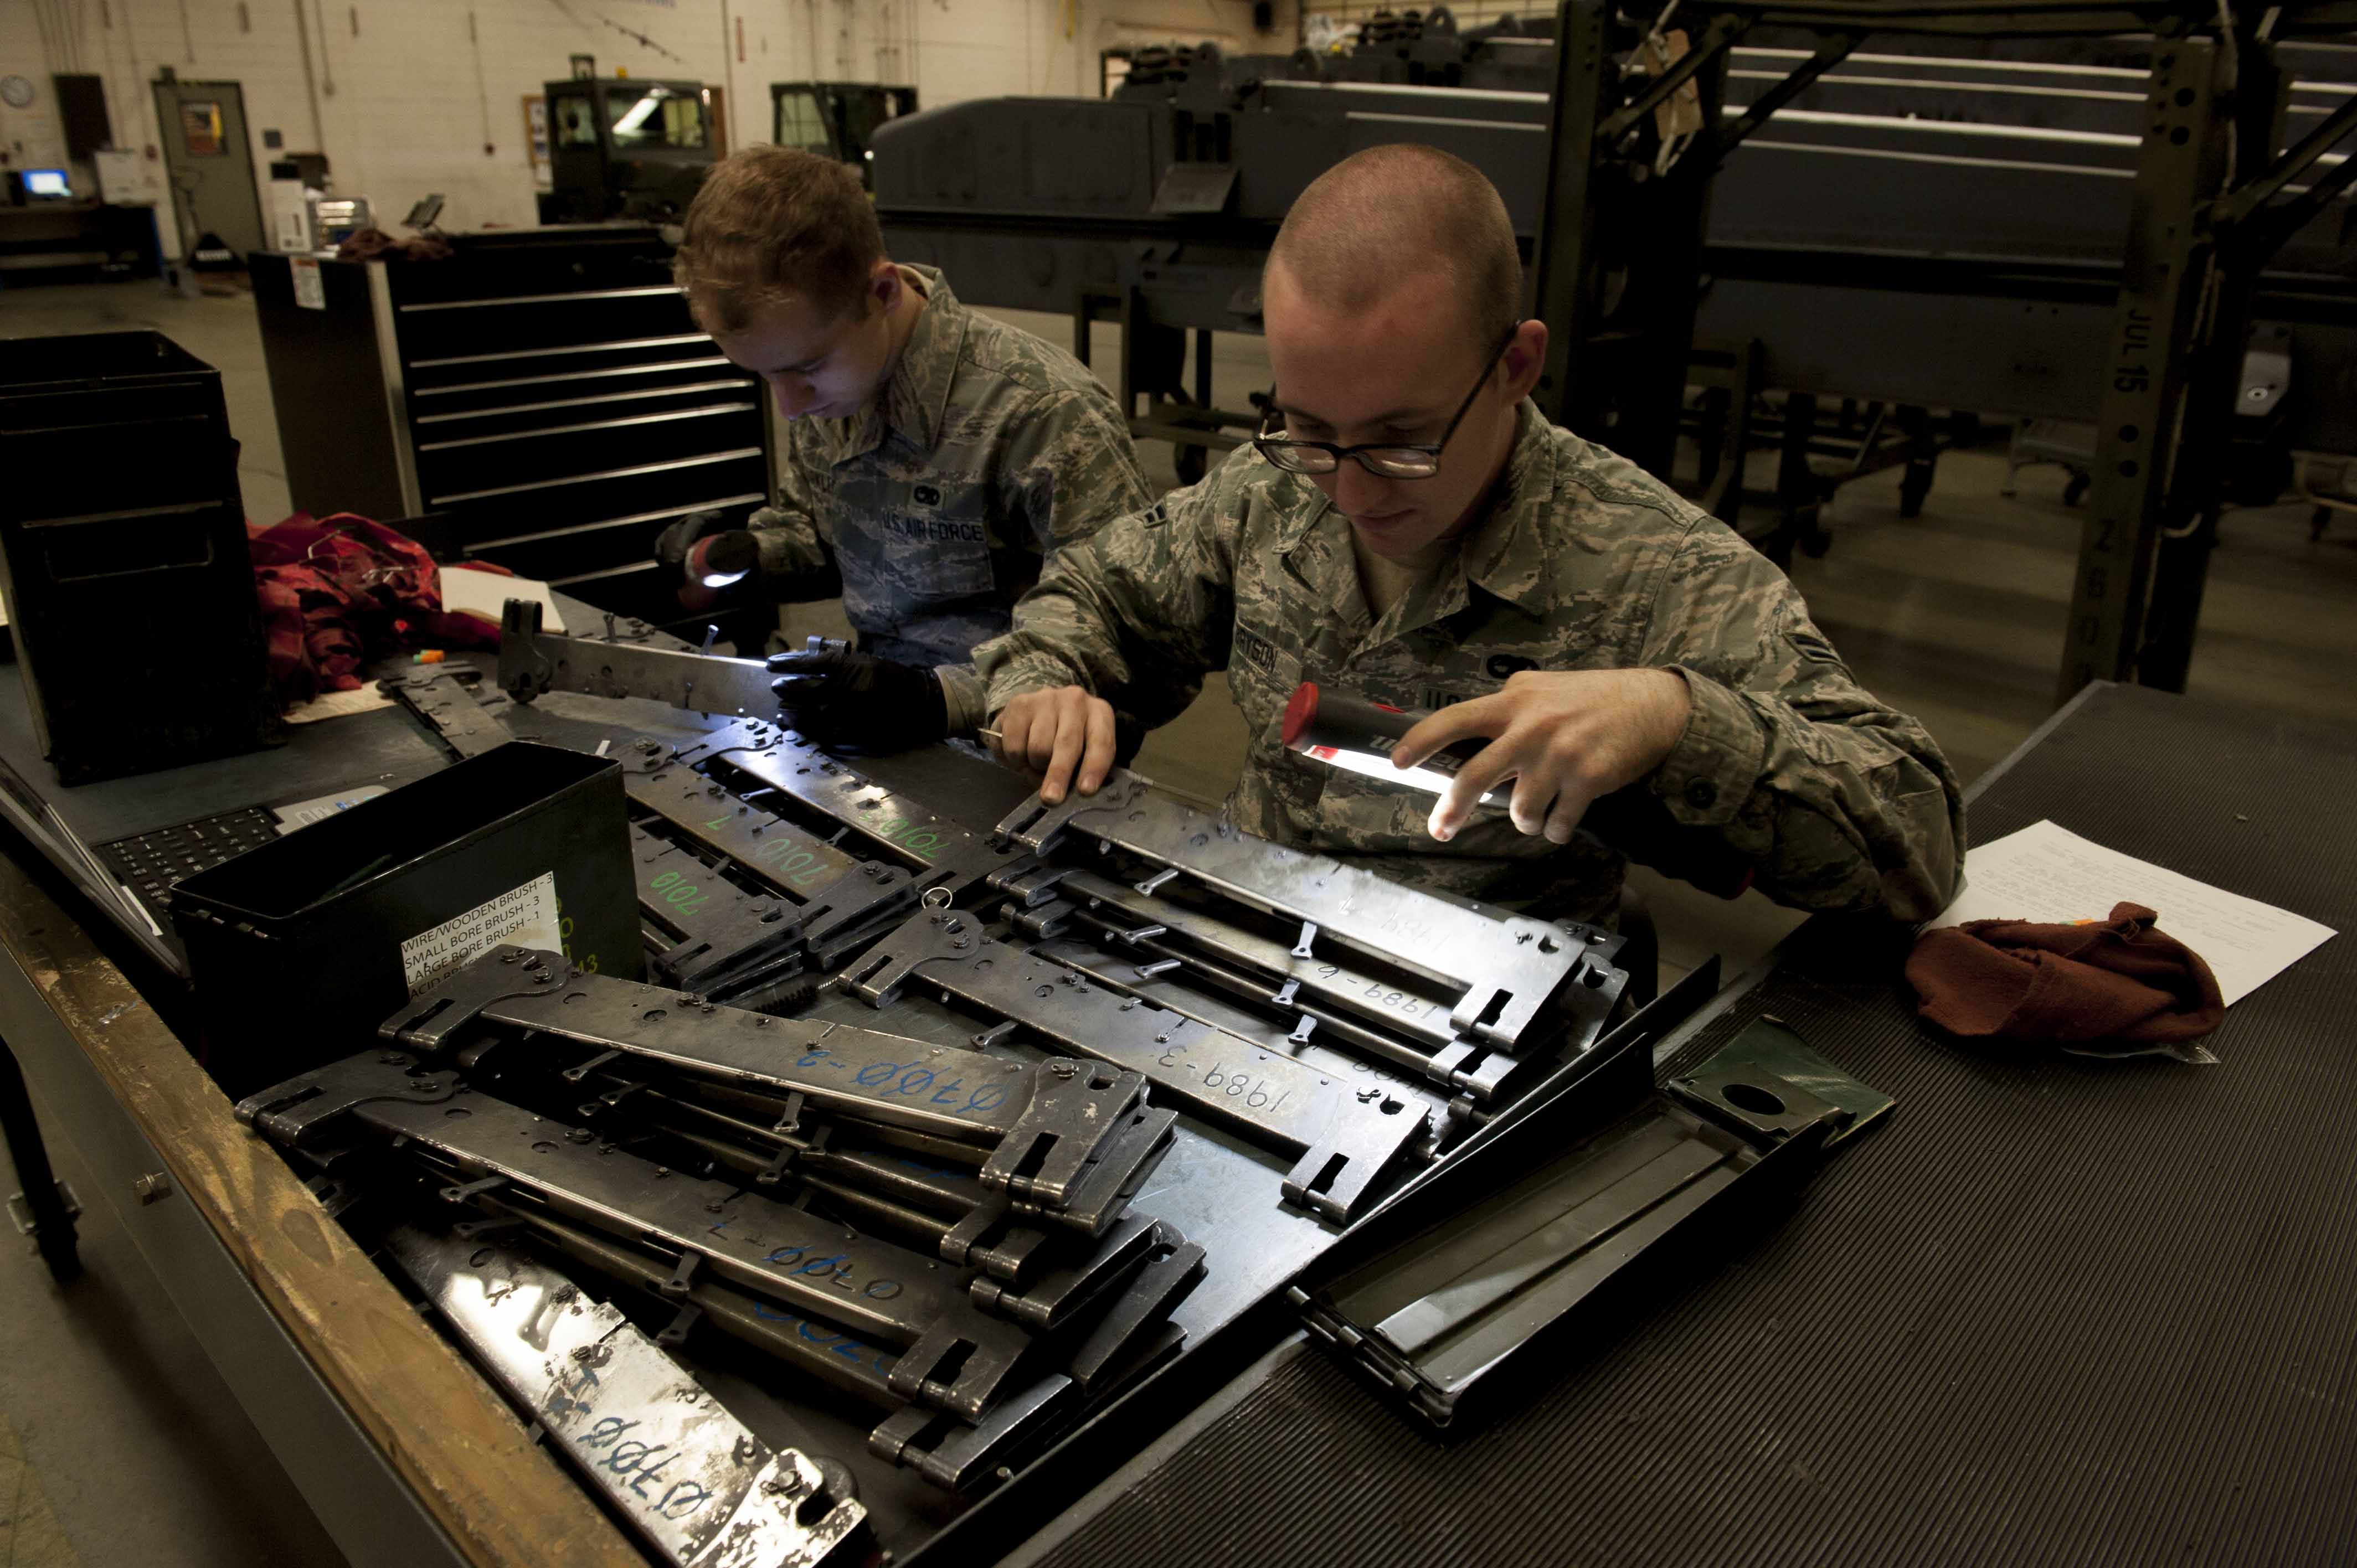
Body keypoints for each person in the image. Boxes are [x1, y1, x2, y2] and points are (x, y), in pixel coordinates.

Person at [974, 145, 1964, 927]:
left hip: (1480, 1010)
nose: (1349, 491)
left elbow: (1918, 848)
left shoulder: (1657, 569)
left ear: (1515, 367)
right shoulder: (1268, 493)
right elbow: (1098, 592)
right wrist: (1048, 680)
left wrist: (1675, 716)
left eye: (1401, 440)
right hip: (1241, 939)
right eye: (1310, 429)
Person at [662, 145, 1154, 750]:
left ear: (883, 292)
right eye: (766, 377)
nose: (789, 407)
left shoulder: (1042, 411)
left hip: (1016, 750)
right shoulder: (833, 383)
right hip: (873, 725)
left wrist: (936, 700)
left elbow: (1138, 638)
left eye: (806, 370)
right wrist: (747, 557)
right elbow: (826, 535)